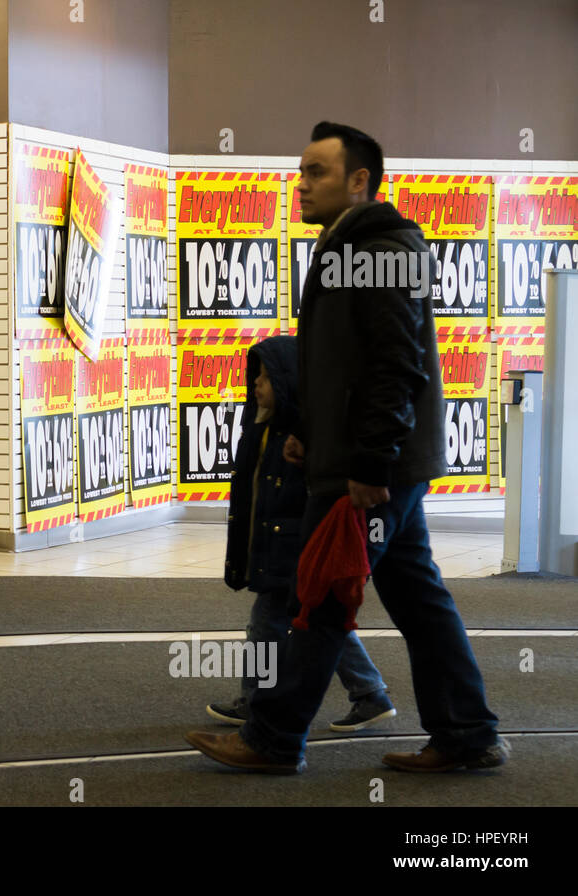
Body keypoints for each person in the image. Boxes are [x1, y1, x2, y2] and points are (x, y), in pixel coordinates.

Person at [185, 121, 506, 774]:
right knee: (416, 597)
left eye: (317, 172)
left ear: (360, 181)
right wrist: (313, 432)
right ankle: (468, 734)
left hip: (374, 469)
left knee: (325, 596)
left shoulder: (381, 248)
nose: (299, 185)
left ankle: (273, 739)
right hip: (372, 461)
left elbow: (396, 363)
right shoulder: (350, 247)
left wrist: (366, 462)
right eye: (300, 171)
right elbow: (347, 365)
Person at [208, 335, 396, 732]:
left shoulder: (298, 440)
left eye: (264, 378)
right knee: (312, 621)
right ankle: (368, 693)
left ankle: (257, 701)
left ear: (287, 380)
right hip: (278, 547)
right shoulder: (265, 431)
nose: (255, 385)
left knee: (271, 625)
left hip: (293, 549)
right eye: (254, 378)